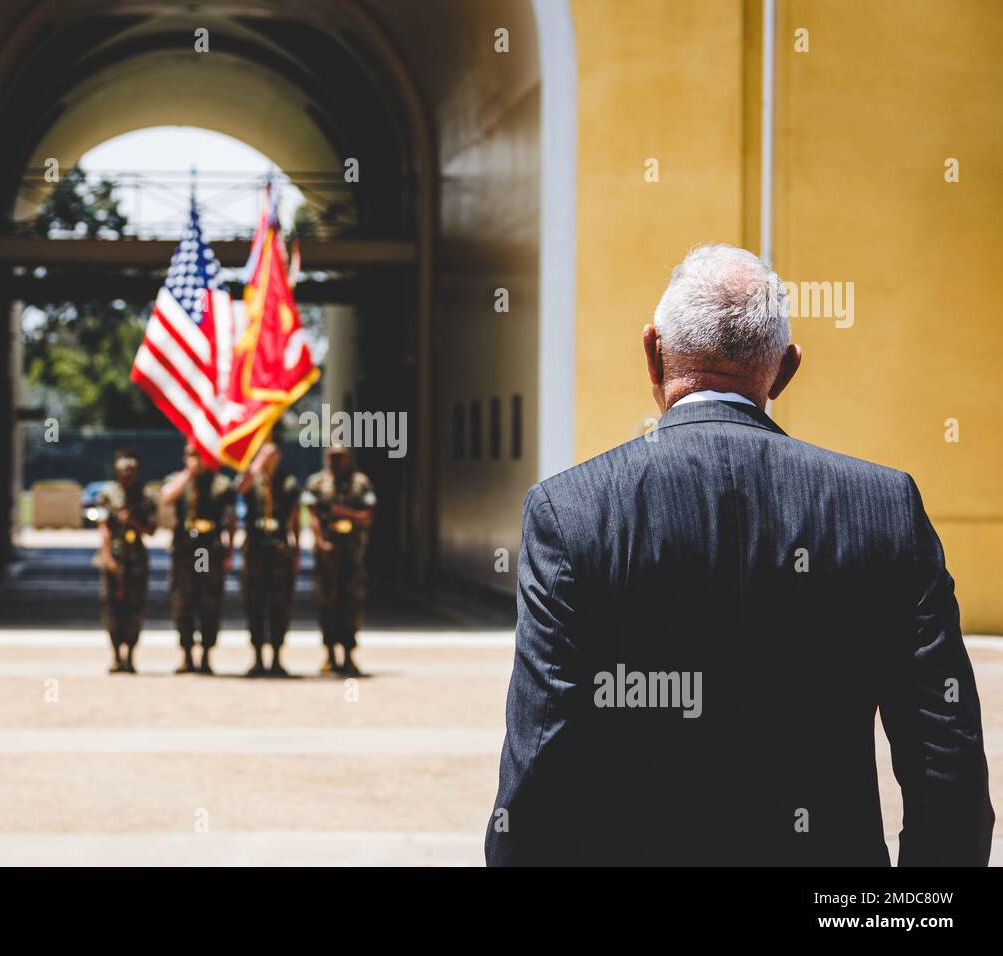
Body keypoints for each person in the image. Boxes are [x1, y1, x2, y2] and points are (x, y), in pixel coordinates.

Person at [486, 244, 993, 866]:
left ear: (652, 352)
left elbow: (539, 764)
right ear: (784, 371)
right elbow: (947, 760)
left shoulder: (573, 511)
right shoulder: (882, 507)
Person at [161, 443, 236, 675]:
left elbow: (230, 520)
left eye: (200, 455)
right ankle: (186, 655)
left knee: (207, 601)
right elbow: (166, 498)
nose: (196, 459)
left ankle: (205, 654)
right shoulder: (178, 480)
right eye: (191, 455)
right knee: (182, 601)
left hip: (206, 550)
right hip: (185, 549)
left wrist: (229, 551)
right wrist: (188, 474)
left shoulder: (220, 484)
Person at [304, 445, 375, 676]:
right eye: (332, 457)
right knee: (327, 603)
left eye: (341, 457)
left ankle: (349, 655)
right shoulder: (317, 483)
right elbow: (312, 514)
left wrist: (346, 514)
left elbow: (368, 516)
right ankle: (330, 655)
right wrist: (319, 541)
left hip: (351, 553)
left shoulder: (360, 483)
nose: (336, 462)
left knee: (351, 603)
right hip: (328, 554)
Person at [237, 442, 301, 677]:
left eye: (272, 454)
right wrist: (255, 467)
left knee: (279, 606)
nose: (269, 458)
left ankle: (276, 658)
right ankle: (257, 658)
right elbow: (239, 490)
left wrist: (297, 551)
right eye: (264, 453)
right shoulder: (252, 479)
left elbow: (294, 517)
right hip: (255, 552)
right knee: (254, 605)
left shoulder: (288, 482)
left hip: (279, 552)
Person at [95, 448, 159, 675]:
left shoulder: (146, 495)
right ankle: (115, 656)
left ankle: (130, 656)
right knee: (110, 607)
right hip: (114, 555)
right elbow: (102, 528)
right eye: (123, 469)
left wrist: (133, 522)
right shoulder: (107, 494)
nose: (127, 473)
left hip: (136, 558)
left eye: (131, 469)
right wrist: (107, 557)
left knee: (135, 607)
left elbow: (152, 529)